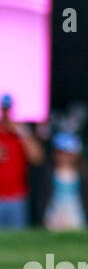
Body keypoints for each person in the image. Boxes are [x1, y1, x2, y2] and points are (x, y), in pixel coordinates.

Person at [0, 94, 44, 229]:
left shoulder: (22, 134)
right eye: (4, 110)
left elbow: (37, 158)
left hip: (17, 197)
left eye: (9, 110)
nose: (7, 114)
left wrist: (22, 132)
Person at [42, 132, 88, 231]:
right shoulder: (48, 172)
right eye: (61, 153)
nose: (65, 157)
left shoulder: (82, 173)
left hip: (75, 214)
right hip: (54, 214)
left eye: (69, 154)